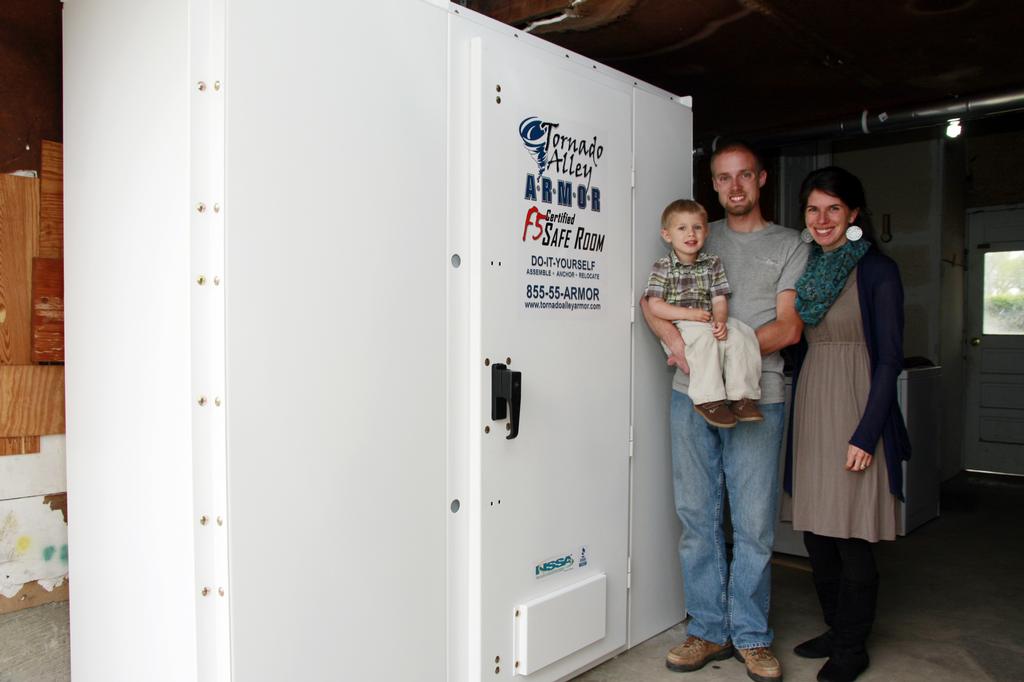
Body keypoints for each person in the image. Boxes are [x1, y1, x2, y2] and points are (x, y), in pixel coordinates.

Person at [641, 141, 808, 682]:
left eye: (743, 176)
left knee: (755, 525)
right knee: (697, 517)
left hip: (761, 395)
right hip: (689, 396)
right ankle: (708, 629)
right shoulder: (694, 232)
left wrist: (726, 352)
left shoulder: (790, 243)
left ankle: (752, 635)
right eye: (722, 178)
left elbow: (788, 328)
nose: (734, 187)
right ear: (712, 185)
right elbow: (650, 303)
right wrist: (683, 347)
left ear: (761, 179)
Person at [784, 166, 910, 682]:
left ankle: (853, 647)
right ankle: (837, 629)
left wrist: (866, 432)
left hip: (858, 403)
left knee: (852, 536)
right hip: (814, 402)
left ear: (854, 213)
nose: (822, 219)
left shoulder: (879, 271)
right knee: (816, 533)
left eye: (833, 208)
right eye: (813, 209)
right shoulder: (809, 269)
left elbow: (890, 360)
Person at [644, 199, 764, 428]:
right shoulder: (663, 266)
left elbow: (719, 299)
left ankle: (742, 397)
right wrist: (689, 315)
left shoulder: (712, 263)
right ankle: (709, 400)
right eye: (682, 228)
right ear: (667, 235)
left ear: (706, 231)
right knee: (705, 339)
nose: (691, 233)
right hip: (681, 324)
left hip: (707, 320)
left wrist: (720, 321)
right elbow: (655, 305)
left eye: (697, 227)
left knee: (742, 334)